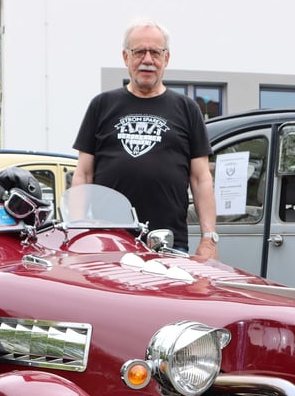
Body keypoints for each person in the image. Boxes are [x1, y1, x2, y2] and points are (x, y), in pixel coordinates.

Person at [71, 17, 218, 259]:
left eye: (155, 52)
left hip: (169, 245)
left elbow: (201, 178)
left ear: (166, 58)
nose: (147, 60)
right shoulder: (101, 105)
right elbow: (83, 174)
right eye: (139, 52)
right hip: (109, 244)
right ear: (125, 57)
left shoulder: (187, 109)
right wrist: (76, 233)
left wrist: (209, 238)